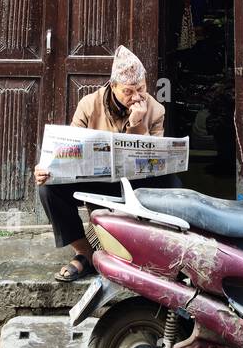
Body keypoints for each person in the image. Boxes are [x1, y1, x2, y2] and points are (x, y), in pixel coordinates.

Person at [34, 44, 183, 281]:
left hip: (137, 183)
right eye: (128, 91)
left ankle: (173, 251)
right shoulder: (88, 105)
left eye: (141, 89)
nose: (137, 97)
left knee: (174, 183)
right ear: (113, 86)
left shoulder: (155, 110)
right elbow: (68, 149)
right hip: (97, 181)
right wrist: (48, 168)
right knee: (48, 189)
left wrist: (137, 123)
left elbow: (154, 162)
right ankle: (84, 253)